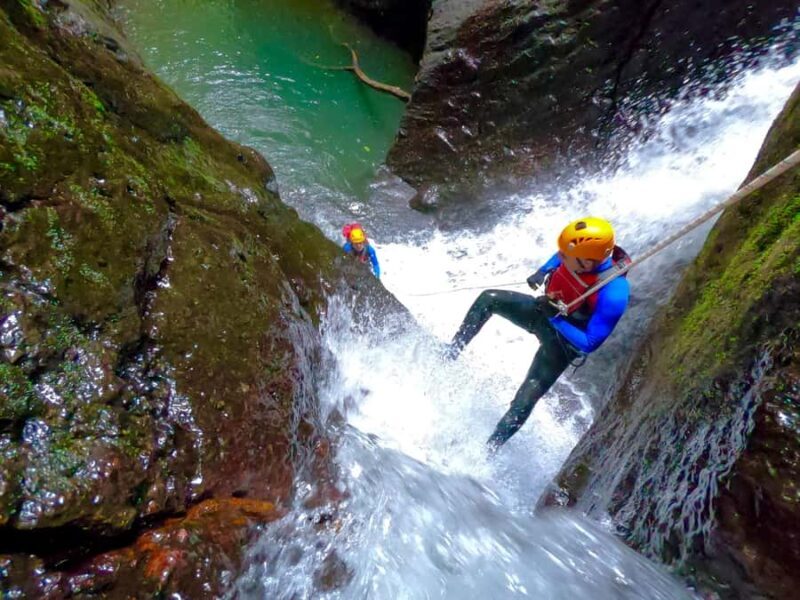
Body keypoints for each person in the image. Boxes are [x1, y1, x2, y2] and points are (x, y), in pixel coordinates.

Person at [445, 217, 631, 450]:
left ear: (587, 262)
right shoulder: (581, 256)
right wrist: (542, 271)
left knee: (524, 400)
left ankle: (487, 451)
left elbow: (590, 343)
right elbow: (560, 255)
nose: (560, 257)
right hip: (544, 311)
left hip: (561, 344)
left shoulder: (614, 292)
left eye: (566, 256)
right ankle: (449, 355)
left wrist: (555, 318)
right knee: (488, 299)